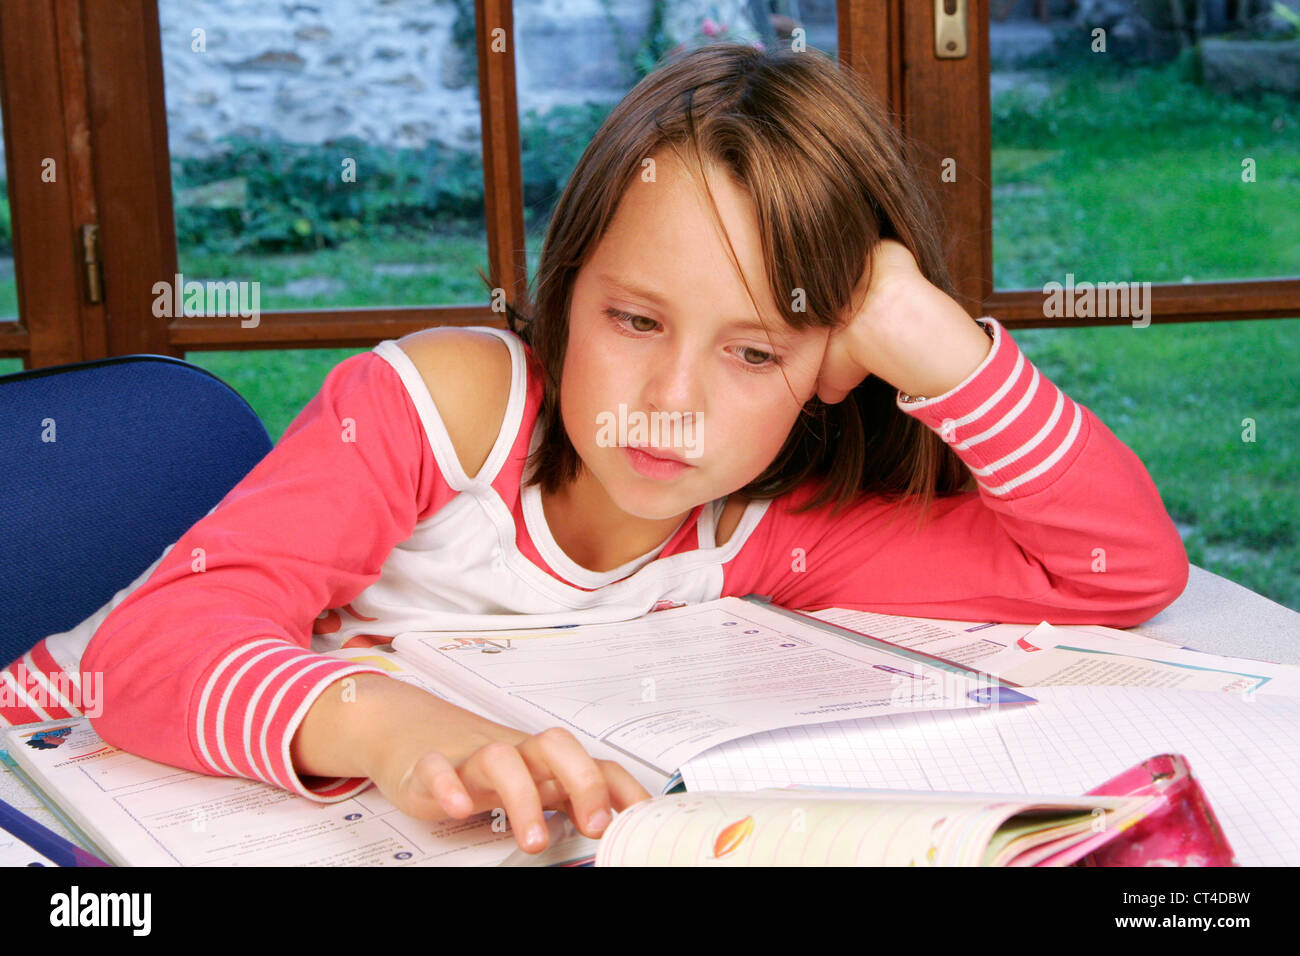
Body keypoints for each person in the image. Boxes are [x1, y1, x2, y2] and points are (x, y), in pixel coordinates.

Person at [0, 43, 1188, 857]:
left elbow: (1114, 572)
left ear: (833, 370)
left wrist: (944, 352)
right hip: (44, 778)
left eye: (754, 351)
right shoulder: (438, 409)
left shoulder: (767, 530)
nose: (672, 402)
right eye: (634, 320)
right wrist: (394, 726)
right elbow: (154, 646)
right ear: (566, 290)